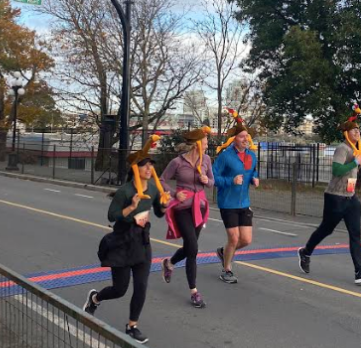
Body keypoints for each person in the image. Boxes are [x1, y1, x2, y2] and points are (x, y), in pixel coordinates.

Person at [85, 136, 169, 344]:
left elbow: (158, 212)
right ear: (135, 168)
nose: (149, 168)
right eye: (144, 165)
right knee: (120, 289)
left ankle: (132, 326)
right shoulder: (125, 191)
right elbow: (112, 216)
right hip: (122, 242)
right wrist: (131, 207)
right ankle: (95, 298)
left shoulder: (152, 189)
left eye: (151, 165)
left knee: (141, 286)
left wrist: (165, 204)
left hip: (142, 242)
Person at [298, 105, 361, 284]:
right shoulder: (342, 149)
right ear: (347, 133)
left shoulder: (357, 150)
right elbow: (336, 170)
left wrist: (358, 162)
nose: (357, 132)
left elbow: (353, 171)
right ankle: (306, 252)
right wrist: (354, 163)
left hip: (351, 198)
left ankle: (360, 272)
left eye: (358, 130)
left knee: (355, 233)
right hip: (335, 196)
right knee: (326, 229)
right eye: (354, 130)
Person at [159, 126, 214, 308]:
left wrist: (207, 181)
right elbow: (161, 180)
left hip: (199, 208)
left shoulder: (206, 160)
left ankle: (169, 262)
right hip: (182, 208)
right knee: (193, 248)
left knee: (190, 247)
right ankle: (194, 292)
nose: (207, 146)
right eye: (205, 143)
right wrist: (175, 193)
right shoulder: (177, 162)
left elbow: (212, 183)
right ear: (196, 144)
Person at [213, 109, 259, 284]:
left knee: (246, 240)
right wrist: (230, 180)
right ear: (234, 139)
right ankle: (227, 270)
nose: (245, 139)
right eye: (242, 137)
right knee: (233, 238)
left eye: (247, 137)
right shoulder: (225, 156)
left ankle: (224, 252)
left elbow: (252, 170)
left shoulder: (251, 156)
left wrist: (254, 178)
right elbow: (214, 178)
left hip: (244, 202)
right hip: (227, 203)